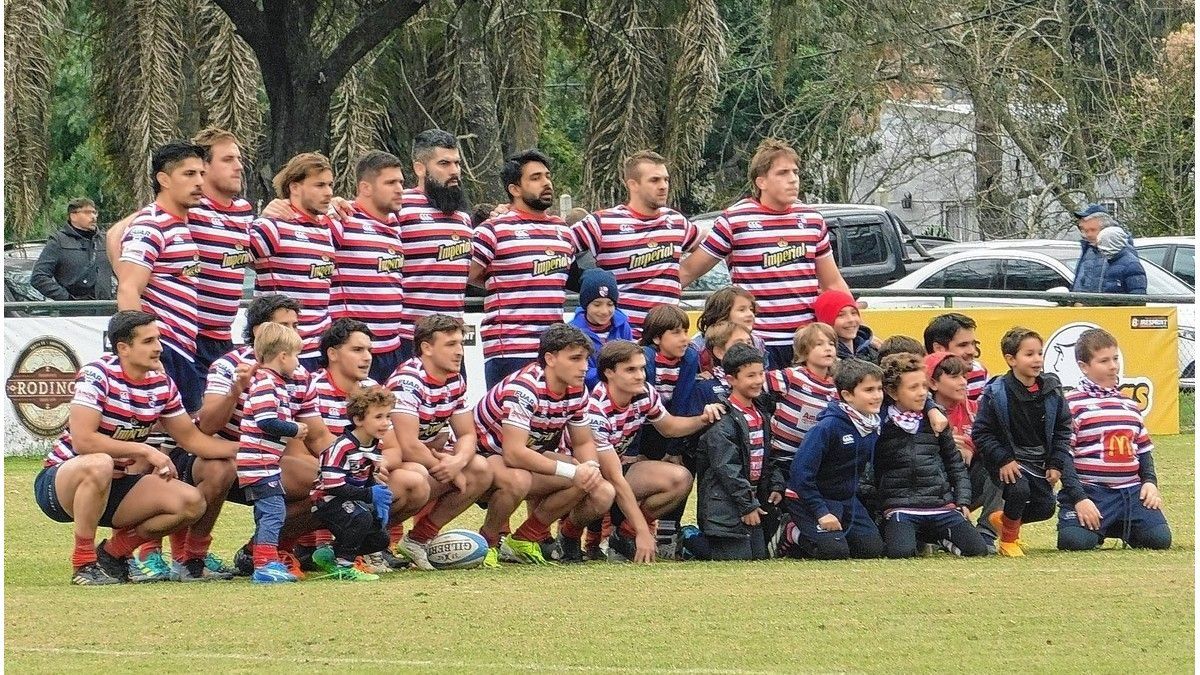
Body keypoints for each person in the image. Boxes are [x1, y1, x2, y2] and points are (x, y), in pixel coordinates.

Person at [34, 311, 227, 585]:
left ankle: (114, 554)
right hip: (62, 482)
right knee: (100, 462)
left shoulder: (162, 384)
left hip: (115, 485)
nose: (159, 347)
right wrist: (146, 451)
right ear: (123, 348)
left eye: (158, 339)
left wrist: (245, 448)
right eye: (148, 341)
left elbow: (192, 440)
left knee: (191, 503)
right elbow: (83, 441)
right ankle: (83, 563)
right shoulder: (97, 375)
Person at [679, 138, 850, 367]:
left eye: (795, 172)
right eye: (782, 173)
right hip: (756, 342)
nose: (793, 179)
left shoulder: (812, 219)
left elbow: (833, 283)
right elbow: (689, 270)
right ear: (761, 181)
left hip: (805, 341)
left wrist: (857, 326)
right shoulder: (735, 219)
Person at [473, 323, 615, 567]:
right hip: (480, 462)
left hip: (518, 461)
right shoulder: (524, 388)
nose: (584, 367)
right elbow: (514, 453)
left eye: (586, 359)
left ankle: (525, 539)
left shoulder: (577, 390)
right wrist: (574, 471)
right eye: (575, 359)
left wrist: (589, 468)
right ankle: (488, 541)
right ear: (550, 358)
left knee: (601, 490)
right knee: (520, 478)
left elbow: (583, 442)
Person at [297, 318, 431, 572]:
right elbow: (304, 447)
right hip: (320, 475)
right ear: (333, 353)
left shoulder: (371, 389)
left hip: (357, 476)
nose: (367, 357)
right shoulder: (311, 387)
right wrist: (353, 469)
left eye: (369, 350)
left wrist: (375, 465)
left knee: (416, 479)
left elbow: (392, 448)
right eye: (357, 350)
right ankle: (293, 545)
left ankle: (351, 548)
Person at [583, 340, 723, 563]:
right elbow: (615, 478)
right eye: (631, 369)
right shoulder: (596, 409)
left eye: (641, 368)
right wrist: (644, 532)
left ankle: (623, 536)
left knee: (681, 478)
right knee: (605, 491)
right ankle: (567, 537)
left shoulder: (645, 392)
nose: (640, 375)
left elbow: (669, 428)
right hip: (579, 475)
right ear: (609, 372)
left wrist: (703, 419)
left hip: (611, 469)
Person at [971, 327, 1091, 557]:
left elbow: (1063, 429)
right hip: (1009, 462)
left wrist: (1056, 462)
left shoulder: (1052, 389)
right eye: (1029, 354)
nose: (1037, 360)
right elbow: (982, 433)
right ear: (1010, 359)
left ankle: (1005, 521)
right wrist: (1003, 459)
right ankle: (1008, 541)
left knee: (1045, 508)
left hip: (1039, 462)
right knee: (1018, 489)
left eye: (1040, 353)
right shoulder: (996, 392)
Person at [386, 315, 494, 570]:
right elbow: (407, 445)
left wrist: (457, 462)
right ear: (427, 348)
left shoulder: (455, 380)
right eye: (450, 344)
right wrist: (446, 468)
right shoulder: (407, 381)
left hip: (425, 459)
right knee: (417, 476)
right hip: (391, 464)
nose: (459, 351)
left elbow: (468, 435)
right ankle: (370, 541)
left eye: (460, 344)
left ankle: (418, 539)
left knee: (479, 468)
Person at [1058, 329, 1170, 550]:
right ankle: (1093, 525)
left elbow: (1143, 451)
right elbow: (1063, 457)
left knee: (1160, 540)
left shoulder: (1129, 405)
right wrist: (1080, 498)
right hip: (1091, 492)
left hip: (1129, 492)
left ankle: (1120, 524)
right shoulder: (1071, 404)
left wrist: (1149, 482)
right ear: (1084, 366)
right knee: (1074, 542)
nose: (1113, 366)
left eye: (1115, 358)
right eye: (1104, 361)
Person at [115, 141, 206, 413]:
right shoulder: (150, 226)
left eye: (201, 173)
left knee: (182, 436)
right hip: (163, 346)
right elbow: (128, 289)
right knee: (163, 437)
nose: (200, 181)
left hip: (184, 346)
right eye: (189, 174)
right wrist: (143, 350)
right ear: (164, 179)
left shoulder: (182, 224)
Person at [471, 149, 574, 388]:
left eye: (547, 176)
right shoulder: (493, 229)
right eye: (535, 178)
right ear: (514, 189)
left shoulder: (563, 231)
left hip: (553, 349)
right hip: (510, 350)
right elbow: (468, 276)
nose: (546, 183)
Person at [570, 151, 700, 336]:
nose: (663, 186)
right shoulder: (603, 222)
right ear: (633, 185)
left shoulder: (676, 221)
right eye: (654, 180)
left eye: (666, 180)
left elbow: (711, 246)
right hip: (623, 337)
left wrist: (683, 275)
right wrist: (585, 282)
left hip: (667, 339)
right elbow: (558, 247)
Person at [873, 354, 987, 558]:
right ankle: (914, 538)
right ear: (892, 391)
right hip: (900, 507)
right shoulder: (879, 422)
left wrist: (962, 500)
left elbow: (954, 464)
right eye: (913, 388)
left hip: (940, 504)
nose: (922, 393)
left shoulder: (937, 420)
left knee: (977, 550)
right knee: (901, 553)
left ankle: (938, 539)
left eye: (924, 386)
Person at [782, 358, 885, 560]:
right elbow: (800, 475)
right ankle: (790, 530)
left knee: (872, 550)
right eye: (869, 390)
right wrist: (821, 512)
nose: (877, 396)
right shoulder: (826, 427)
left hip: (845, 499)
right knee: (834, 552)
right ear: (847, 395)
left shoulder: (872, 424)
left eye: (879, 389)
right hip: (810, 498)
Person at [684, 343, 779, 561]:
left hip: (749, 502)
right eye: (750, 376)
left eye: (760, 374)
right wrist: (747, 506)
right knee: (738, 558)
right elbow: (727, 469)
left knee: (759, 555)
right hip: (725, 508)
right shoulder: (722, 419)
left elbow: (767, 456)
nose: (757, 381)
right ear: (731, 380)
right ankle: (689, 539)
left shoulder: (761, 411)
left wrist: (776, 484)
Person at [249, 152, 336, 372]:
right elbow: (233, 258)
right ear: (295, 187)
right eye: (319, 185)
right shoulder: (273, 225)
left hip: (320, 348)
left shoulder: (326, 227)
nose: (328, 193)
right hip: (283, 350)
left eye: (330, 185)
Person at [395, 130, 475, 361]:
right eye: (444, 164)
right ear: (420, 168)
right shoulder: (400, 207)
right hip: (411, 339)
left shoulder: (462, 217)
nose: (454, 171)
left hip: (451, 340)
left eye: (457, 163)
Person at [238, 322, 308, 583]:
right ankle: (265, 564)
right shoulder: (266, 383)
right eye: (296, 356)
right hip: (258, 463)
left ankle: (265, 559)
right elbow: (265, 421)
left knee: (269, 511)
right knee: (273, 511)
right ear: (283, 356)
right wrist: (294, 429)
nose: (298, 363)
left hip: (266, 462)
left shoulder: (274, 383)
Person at [328, 151, 407, 382]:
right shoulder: (344, 218)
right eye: (390, 182)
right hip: (354, 349)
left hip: (392, 348)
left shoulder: (396, 224)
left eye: (401, 182)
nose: (400, 188)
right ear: (366, 188)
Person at [187, 128, 257, 370]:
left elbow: (254, 257)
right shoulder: (190, 209)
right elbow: (117, 235)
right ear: (203, 167)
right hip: (192, 337)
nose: (238, 166)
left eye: (239, 159)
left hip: (224, 336)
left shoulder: (243, 210)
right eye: (228, 160)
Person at [310, 387, 398, 581]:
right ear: (358, 420)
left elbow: (366, 476)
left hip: (351, 498)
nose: (386, 423)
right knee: (361, 517)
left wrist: (378, 499)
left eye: (388, 416)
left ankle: (332, 554)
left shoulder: (376, 444)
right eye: (379, 417)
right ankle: (345, 566)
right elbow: (332, 486)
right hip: (327, 500)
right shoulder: (342, 447)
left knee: (380, 539)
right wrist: (370, 495)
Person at [637, 304, 702, 555]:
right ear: (656, 337)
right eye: (676, 332)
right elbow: (638, 408)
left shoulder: (690, 357)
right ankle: (606, 535)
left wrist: (673, 448)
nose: (684, 338)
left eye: (685, 331)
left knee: (679, 468)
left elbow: (682, 403)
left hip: (671, 425)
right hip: (641, 427)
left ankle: (666, 531)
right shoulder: (645, 358)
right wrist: (633, 450)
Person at [925, 351, 1002, 552]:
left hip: (966, 482)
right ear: (933, 383)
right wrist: (944, 446)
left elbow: (995, 441)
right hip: (930, 487)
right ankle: (935, 534)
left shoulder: (977, 409)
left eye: (964, 377)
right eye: (954, 377)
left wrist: (971, 446)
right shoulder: (921, 412)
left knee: (1002, 465)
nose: (962, 382)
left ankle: (986, 532)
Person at [764, 323, 839, 512]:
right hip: (781, 456)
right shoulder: (793, 375)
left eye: (831, 343)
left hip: (812, 459)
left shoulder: (836, 387)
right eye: (819, 344)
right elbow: (757, 382)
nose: (828, 348)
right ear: (804, 352)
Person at [31, 197, 113, 301]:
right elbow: (39, 277)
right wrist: (67, 299)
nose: (93, 217)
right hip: (73, 312)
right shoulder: (58, 241)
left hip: (105, 309)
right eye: (87, 212)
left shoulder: (106, 240)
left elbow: (123, 273)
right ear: (73, 216)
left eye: (94, 212)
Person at [570, 268, 632, 390]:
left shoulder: (623, 326)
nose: (604, 311)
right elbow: (577, 370)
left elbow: (630, 360)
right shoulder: (573, 332)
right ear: (585, 305)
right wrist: (612, 375)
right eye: (597, 304)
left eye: (610, 304)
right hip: (588, 393)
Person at [690, 285, 768, 369]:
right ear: (722, 313)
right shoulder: (697, 346)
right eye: (742, 310)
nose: (750, 314)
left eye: (751, 309)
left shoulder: (756, 342)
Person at [1070, 205, 1143, 294]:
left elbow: (1136, 296)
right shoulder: (1089, 251)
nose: (1088, 235)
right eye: (1085, 231)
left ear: (1107, 229)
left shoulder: (1122, 253)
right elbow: (1080, 286)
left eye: (1092, 230)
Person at [923, 313, 988, 403]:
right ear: (938, 349)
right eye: (963, 345)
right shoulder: (919, 378)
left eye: (973, 344)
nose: (972, 351)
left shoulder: (979, 371)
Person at [813, 289, 879, 363]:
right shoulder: (824, 358)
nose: (851, 320)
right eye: (841, 315)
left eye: (853, 313)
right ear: (826, 322)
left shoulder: (873, 350)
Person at [1091, 225, 1148, 294]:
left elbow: (1138, 294)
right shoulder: (1106, 262)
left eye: (1102, 243)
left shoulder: (1132, 265)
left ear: (1112, 242)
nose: (1099, 247)